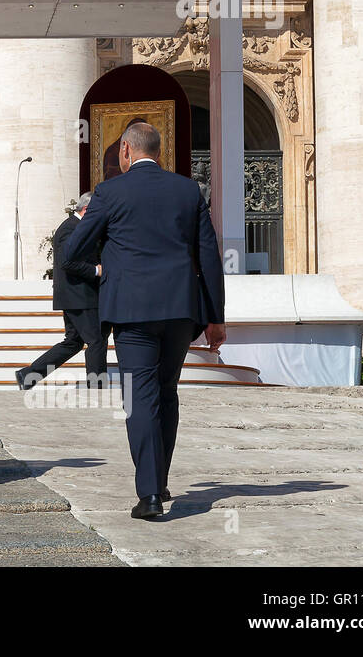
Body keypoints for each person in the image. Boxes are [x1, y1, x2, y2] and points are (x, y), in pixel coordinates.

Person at [64, 121, 226, 520]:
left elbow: (72, 250)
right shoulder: (188, 190)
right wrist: (216, 317)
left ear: (125, 150)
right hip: (180, 309)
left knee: (140, 396)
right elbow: (209, 257)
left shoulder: (109, 192)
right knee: (166, 390)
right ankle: (161, 479)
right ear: (160, 150)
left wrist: (106, 266)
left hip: (132, 311)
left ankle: (150, 494)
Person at [16, 192, 109, 390]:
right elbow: (67, 263)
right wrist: (96, 270)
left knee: (74, 342)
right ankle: (97, 385)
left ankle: (28, 376)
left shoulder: (77, 227)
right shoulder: (70, 229)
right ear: (87, 210)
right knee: (97, 339)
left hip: (78, 295)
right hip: (79, 295)